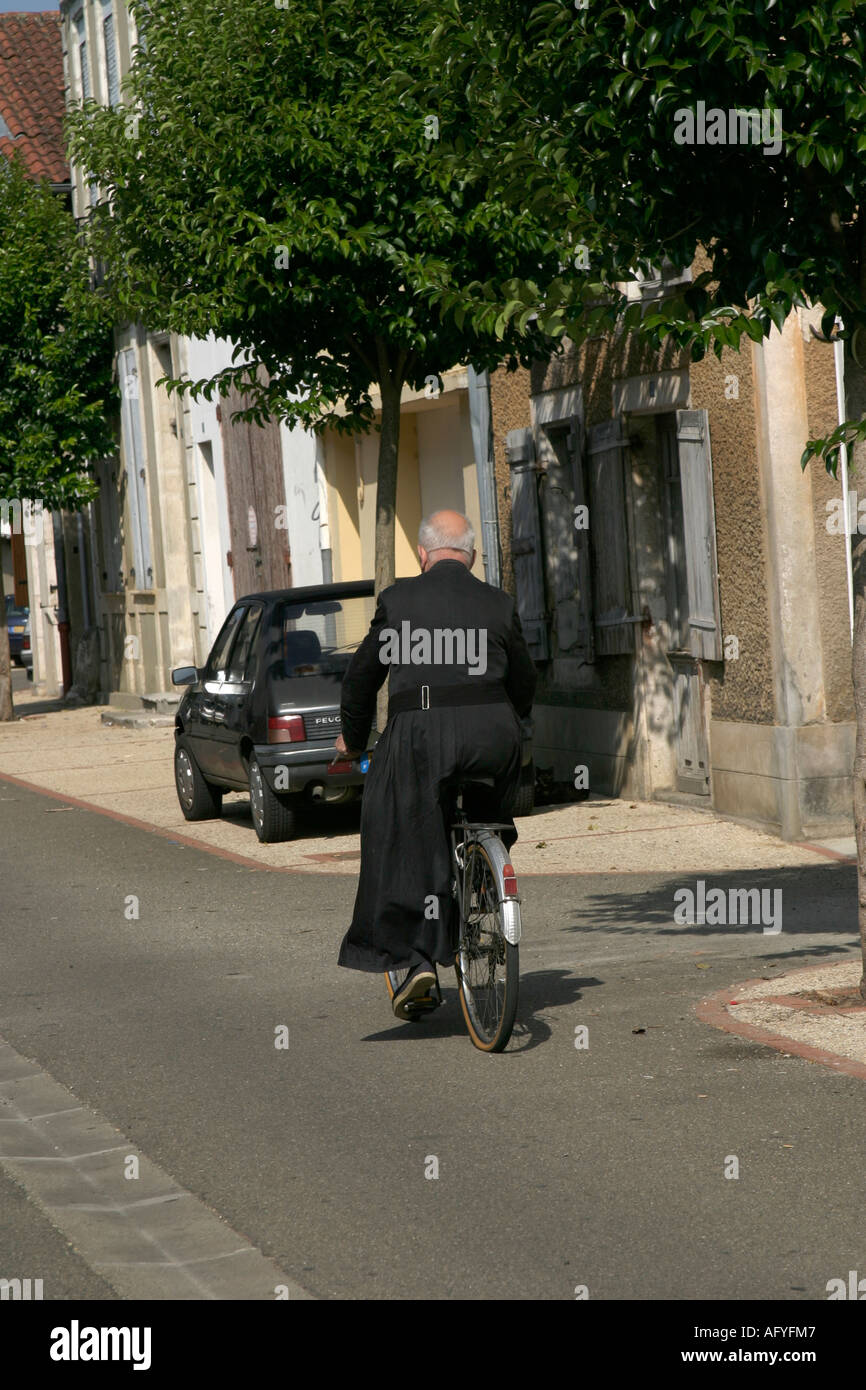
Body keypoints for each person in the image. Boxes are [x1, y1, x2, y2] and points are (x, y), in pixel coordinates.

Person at [334, 509, 537, 1018]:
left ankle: (418, 960)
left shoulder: (399, 601)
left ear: (422, 555)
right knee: (485, 813)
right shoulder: (498, 602)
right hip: (494, 738)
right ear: (471, 555)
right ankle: (485, 877)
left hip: (421, 736)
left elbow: (361, 679)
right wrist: (513, 724)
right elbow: (526, 683)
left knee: (396, 827)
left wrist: (354, 742)